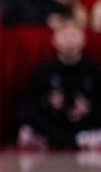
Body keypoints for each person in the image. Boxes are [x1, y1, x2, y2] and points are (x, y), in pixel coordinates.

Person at [18, 19, 101, 149]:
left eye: (73, 35)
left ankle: (72, 139)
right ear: (54, 40)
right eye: (64, 35)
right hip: (50, 126)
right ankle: (61, 139)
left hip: (87, 129)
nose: (69, 41)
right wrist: (48, 103)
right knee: (26, 131)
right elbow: (27, 107)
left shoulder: (95, 71)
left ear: (84, 40)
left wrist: (88, 109)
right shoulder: (43, 71)